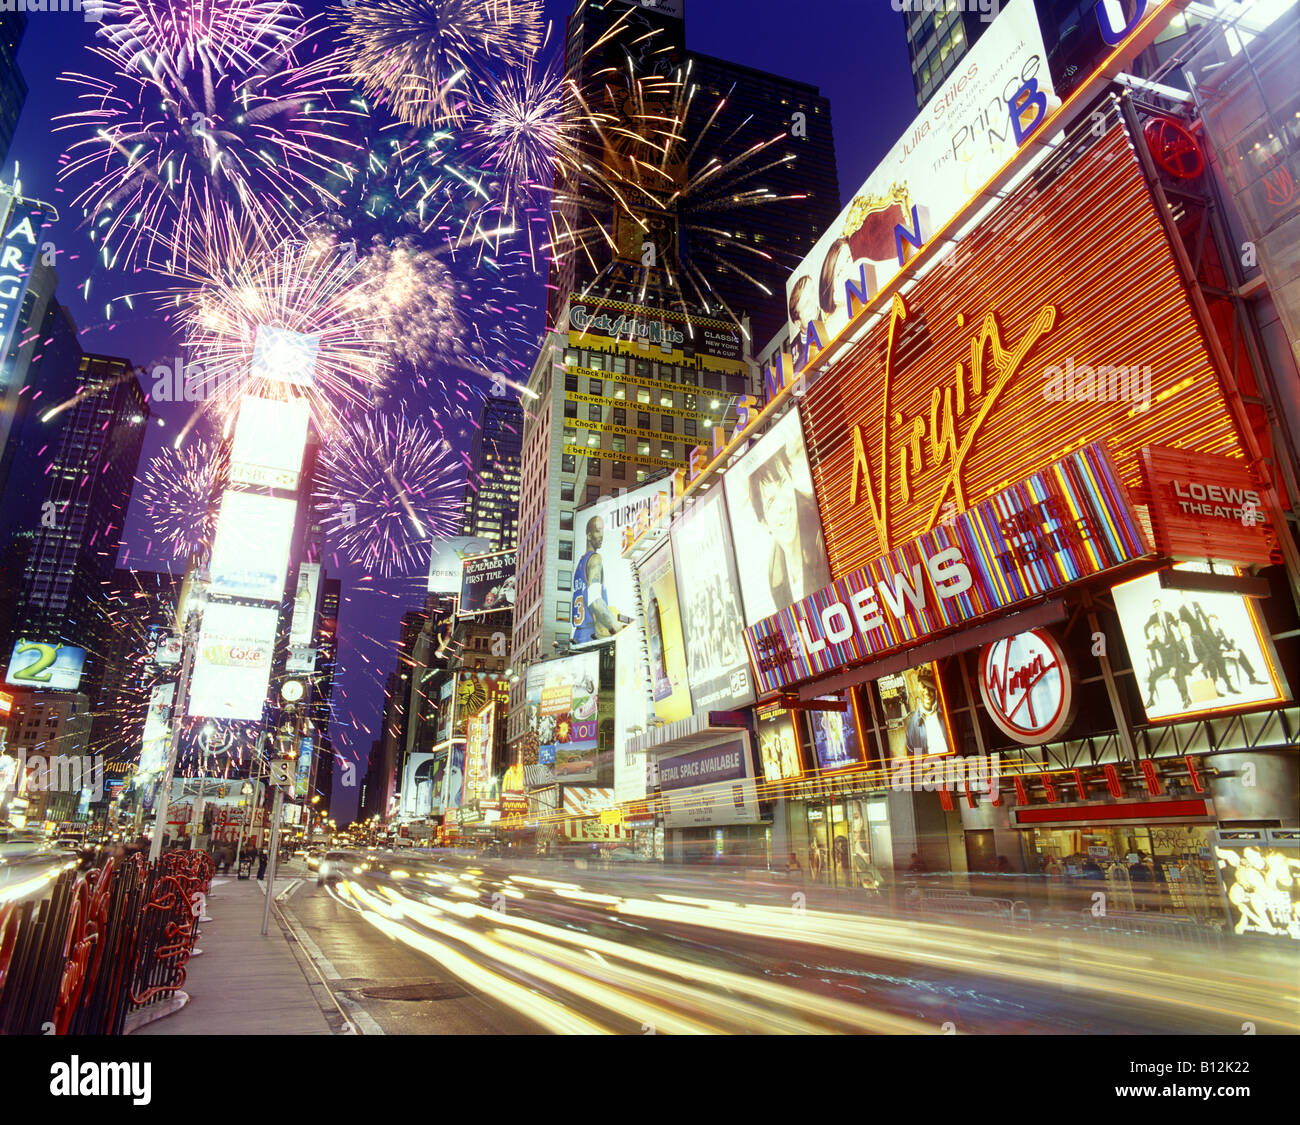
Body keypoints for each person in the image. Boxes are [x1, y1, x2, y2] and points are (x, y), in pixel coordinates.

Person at [747, 443, 830, 613]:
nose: (783, 506)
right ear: (764, 523)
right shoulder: (775, 574)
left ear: (791, 479)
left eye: (783, 484)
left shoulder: (822, 525)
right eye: (770, 502)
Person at [571, 515, 634, 643]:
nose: (602, 535)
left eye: (602, 530)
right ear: (589, 536)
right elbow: (595, 600)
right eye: (598, 530)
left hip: (578, 635)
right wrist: (617, 627)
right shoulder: (595, 559)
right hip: (593, 636)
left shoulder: (580, 563)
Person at [904, 670, 949, 754]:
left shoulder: (946, 713)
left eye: (930, 688)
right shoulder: (913, 726)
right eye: (924, 687)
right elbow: (914, 756)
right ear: (918, 688)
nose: (927, 692)